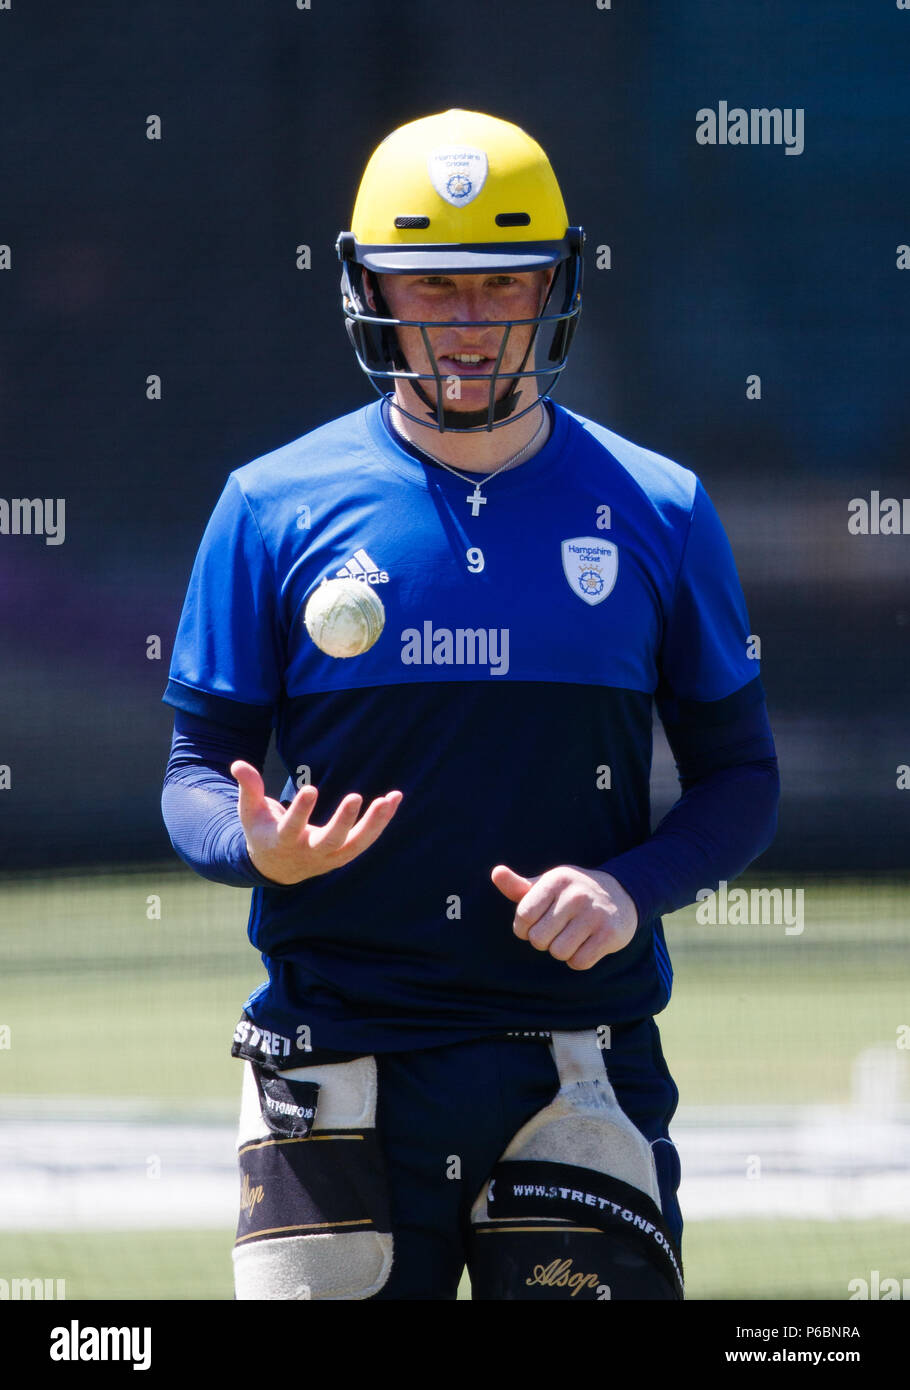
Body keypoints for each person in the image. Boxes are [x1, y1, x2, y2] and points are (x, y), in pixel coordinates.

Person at [161, 108, 779, 1301]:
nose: (467, 322)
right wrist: (255, 844)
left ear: (557, 285)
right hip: (330, 1059)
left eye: (501, 282)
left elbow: (740, 779)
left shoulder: (658, 507)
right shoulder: (268, 505)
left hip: (578, 1069)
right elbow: (194, 771)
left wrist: (625, 886)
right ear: (368, 291)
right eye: (430, 287)